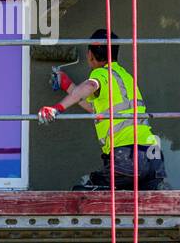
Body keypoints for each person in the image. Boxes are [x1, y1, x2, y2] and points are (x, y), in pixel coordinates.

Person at [38, 29, 166, 191]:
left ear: (90, 54)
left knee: (84, 195)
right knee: (141, 204)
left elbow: (91, 85)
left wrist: (57, 108)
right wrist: (68, 86)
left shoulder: (101, 73)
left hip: (127, 159)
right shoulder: (125, 76)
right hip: (153, 158)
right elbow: (96, 109)